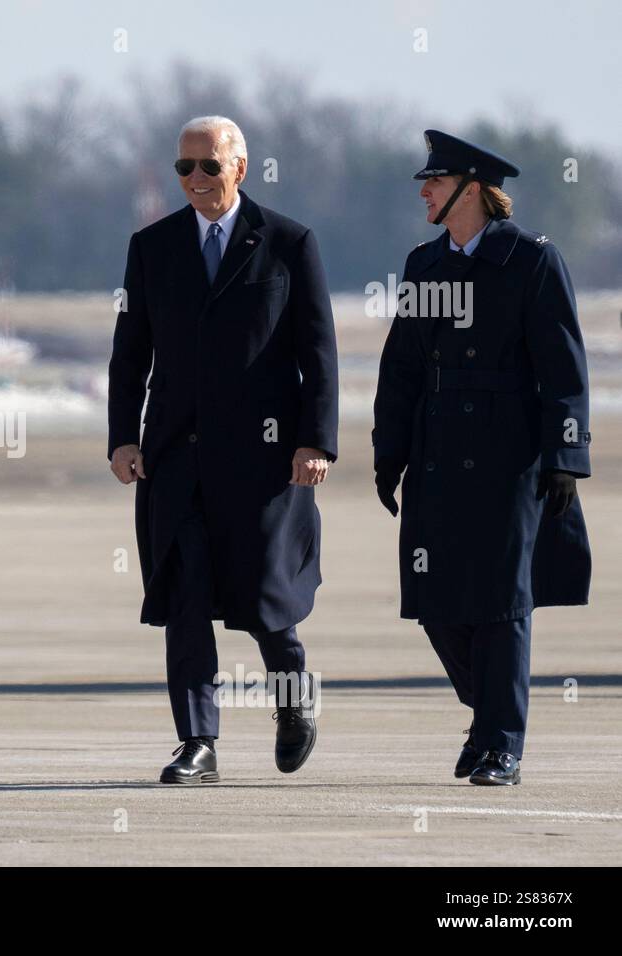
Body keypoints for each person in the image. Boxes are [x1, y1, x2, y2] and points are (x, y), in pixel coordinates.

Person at [107, 116, 338, 785]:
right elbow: (130, 353)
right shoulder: (152, 247)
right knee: (185, 596)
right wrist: (124, 436)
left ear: (241, 166)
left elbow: (318, 353)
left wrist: (314, 440)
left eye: (208, 166)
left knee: (265, 600)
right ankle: (198, 743)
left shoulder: (290, 243)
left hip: (265, 462)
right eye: (184, 169)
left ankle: (294, 701)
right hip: (176, 457)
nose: (196, 180)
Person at [373, 130, 591, 786]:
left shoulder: (532, 263)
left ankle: (501, 744)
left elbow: (564, 371)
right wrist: (390, 455)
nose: (423, 191)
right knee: (438, 602)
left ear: (472, 190)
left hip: (511, 460)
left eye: (434, 182)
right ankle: (489, 711)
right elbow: (403, 368)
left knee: (502, 602)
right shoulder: (423, 266)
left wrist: (565, 456)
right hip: (438, 455)